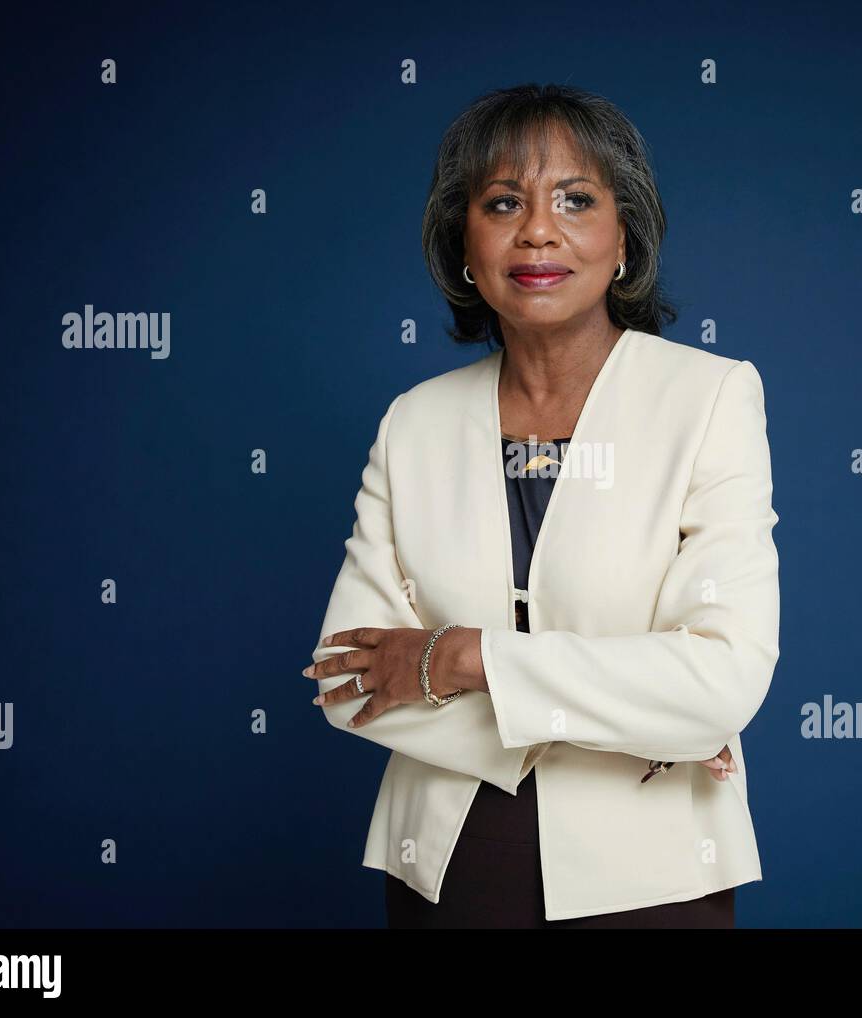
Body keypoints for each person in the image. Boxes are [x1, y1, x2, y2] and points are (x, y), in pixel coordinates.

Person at [303, 83, 781, 928]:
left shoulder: (709, 398)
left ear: (623, 236)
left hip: (653, 875)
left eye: (576, 199)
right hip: (448, 867)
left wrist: (457, 658)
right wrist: (647, 718)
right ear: (464, 244)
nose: (537, 230)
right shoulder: (415, 421)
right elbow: (349, 681)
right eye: (501, 202)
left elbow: (722, 677)